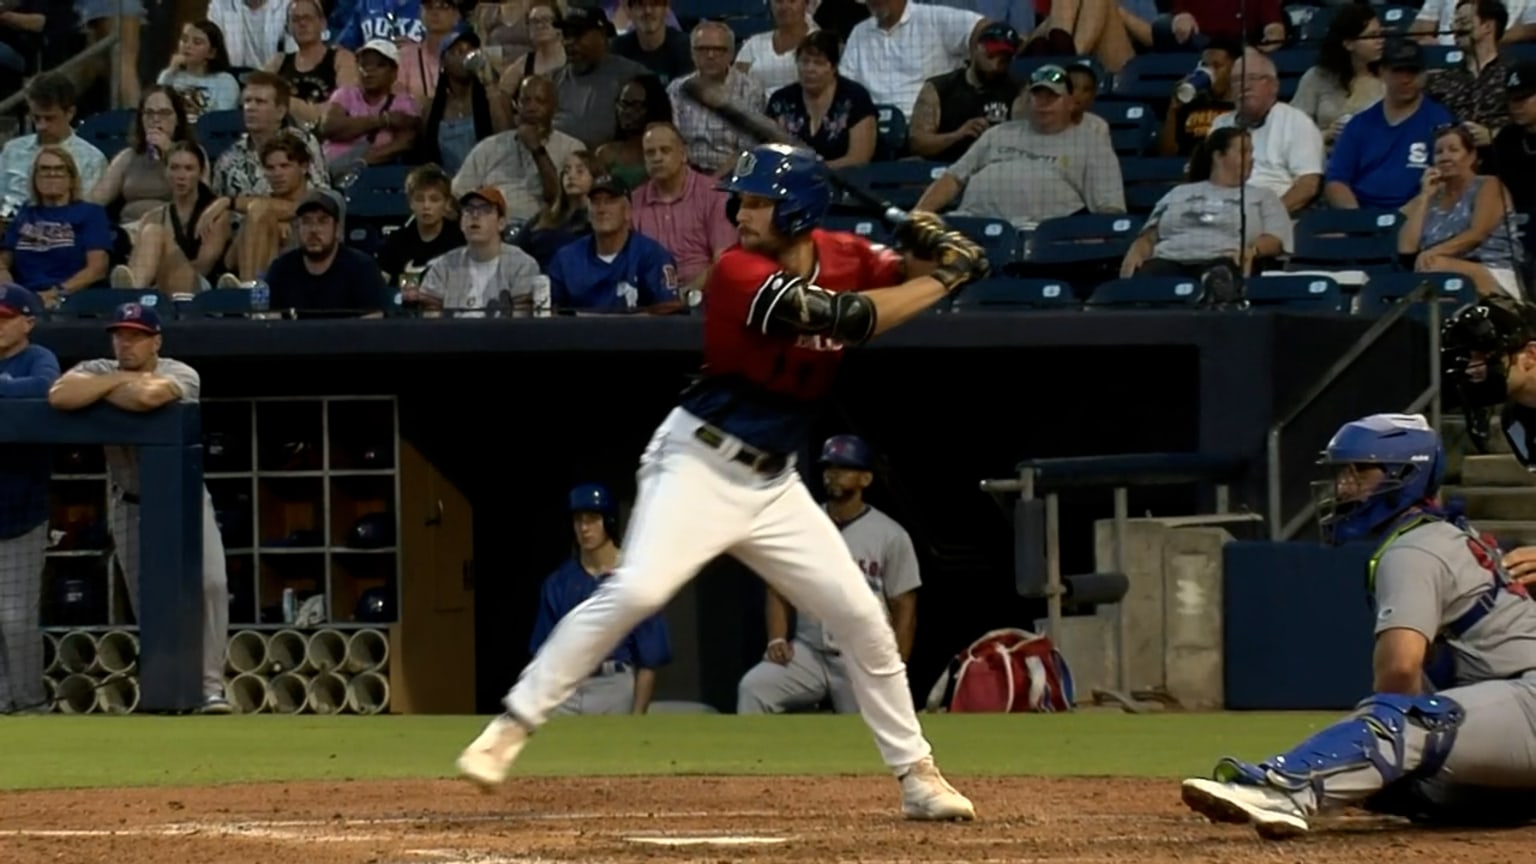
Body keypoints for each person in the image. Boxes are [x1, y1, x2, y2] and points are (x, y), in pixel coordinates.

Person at [454, 141, 989, 822]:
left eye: (760, 201)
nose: (742, 212)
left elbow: (904, 273)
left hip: (773, 485)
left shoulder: (846, 254)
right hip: (697, 465)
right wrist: (946, 277)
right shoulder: (737, 271)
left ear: (797, 207)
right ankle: (512, 726)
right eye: (744, 199)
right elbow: (855, 319)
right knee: (638, 588)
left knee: (862, 619)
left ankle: (918, 776)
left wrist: (929, 242)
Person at [1180, 412, 1536, 838]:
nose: (1345, 485)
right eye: (1344, 472)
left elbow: (1400, 671)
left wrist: (1383, 730)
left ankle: (1286, 790)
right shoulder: (1440, 535)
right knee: (1403, 784)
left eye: (1360, 470)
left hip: (1527, 701)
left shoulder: (1413, 550)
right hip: (1516, 710)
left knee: (1408, 720)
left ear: (1405, 475)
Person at [46, 303, 231, 715]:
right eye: (120, 335)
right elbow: (60, 395)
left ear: (156, 341)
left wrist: (106, 390)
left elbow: (150, 397)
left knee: (211, 585)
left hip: (183, 499)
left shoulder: (181, 371)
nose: (126, 342)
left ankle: (211, 687)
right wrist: (118, 380)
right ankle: (165, 688)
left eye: (136, 335)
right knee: (147, 600)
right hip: (128, 502)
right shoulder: (98, 366)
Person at [737, 435, 921, 715]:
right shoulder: (804, 527)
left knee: (869, 732)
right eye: (829, 468)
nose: (833, 475)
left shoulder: (891, 535)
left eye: (844, 468)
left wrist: (897, 666)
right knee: (755, 688)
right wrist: (777, 637)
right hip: (808, 653)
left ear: (865, 480)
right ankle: (759, 759)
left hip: (861, 657)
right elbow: (776, 587)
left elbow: (904, 606)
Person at [530, 484, 673, 715]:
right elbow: (542, 655)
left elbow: (649, 660)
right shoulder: (559, 582)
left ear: (609, 521)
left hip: (613, 684)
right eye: (579, 520)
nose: (584, 528)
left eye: (593, 519)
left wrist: (637, 717)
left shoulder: (635, 579)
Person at [0, 284, 57, 715]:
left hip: (23, 511)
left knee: (16, 617)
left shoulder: (38, 357)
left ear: (28, 321)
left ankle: (30, 701)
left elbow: (44, 388)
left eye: (6, 317)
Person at [1397, 123, 1523, 298]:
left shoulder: (1488, 185)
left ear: (1471, 156)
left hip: (1492, 270)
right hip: (1436, 269)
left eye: (1453, 150)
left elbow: (1478, 233)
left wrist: (1435, 252)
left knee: (1433, 267)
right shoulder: (1431, 195)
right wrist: (1425, 197)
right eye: (1439, 152)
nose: (1445, 157)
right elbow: (1406, 249)